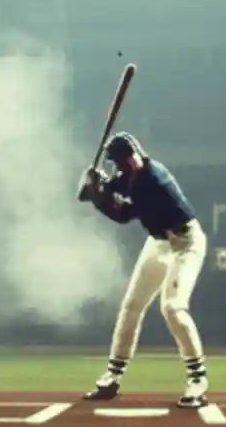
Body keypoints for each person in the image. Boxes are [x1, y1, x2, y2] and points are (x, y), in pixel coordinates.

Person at [76, 132, 210, 409]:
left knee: (172, 307)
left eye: (129, 159)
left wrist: (98, 196)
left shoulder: (154, 180)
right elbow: (112, 192)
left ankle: (198, 378)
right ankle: (112, 377)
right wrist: (97, 189)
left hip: (186, 242)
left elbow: (124, 214)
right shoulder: (129, 176)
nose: (129, 164)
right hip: (159, 243)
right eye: (123, 162)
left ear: (137, 153)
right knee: (131, 305)